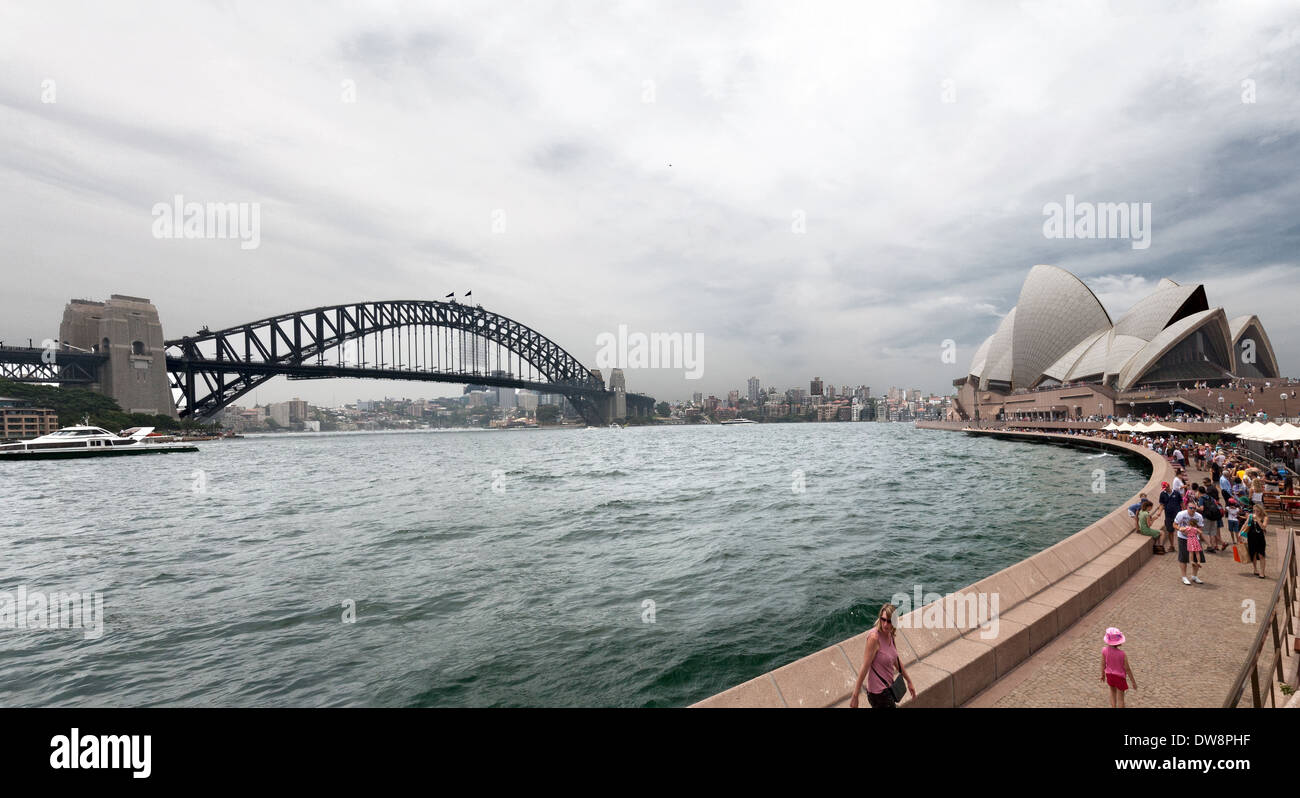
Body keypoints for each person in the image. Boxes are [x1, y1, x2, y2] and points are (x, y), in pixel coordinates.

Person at [850, 603, 916, 708]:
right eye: (883, 619)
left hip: (888, 689)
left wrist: (909, 681)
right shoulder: (874, 638)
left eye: (889, 621)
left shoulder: (890, 634)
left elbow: (895, 660)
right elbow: (864, 667)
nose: (885, 624)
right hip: (877, 694)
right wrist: (855, 695)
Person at [1101, 627, 1137, 708]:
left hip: (1109, 675)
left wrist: (1102, 674)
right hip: (1120, 678)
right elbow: (1127, 669)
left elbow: (1103, 664)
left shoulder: (1104, 650)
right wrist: (1133, 682)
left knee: (1112, 693)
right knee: (1120, 699)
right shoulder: (1122, 654)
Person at [1174, 504, 1205, 585]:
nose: (1193, 509)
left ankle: (1194, 576)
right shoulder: (1181, 514)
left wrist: (1196, 531)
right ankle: (1184, 577)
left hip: (1195, 538)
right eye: (1191, 508)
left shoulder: (1199, 516)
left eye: (1194, 508)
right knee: (1183, 557)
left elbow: (1201, 527)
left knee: (1197, 556)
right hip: (1183, 538)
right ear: (1187, 508)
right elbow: (1174, 524)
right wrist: (1180, 529)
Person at [1243, 505, 1269, 580]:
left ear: (1261, 511)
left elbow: (1263, 527)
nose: (1255, 512)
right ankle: (1255, 569)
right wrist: (1240, 533)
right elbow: (1245, 524)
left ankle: (1262, 572)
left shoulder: (1265, 517)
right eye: (1254, 511)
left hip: (1260, 538)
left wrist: (1257, 519)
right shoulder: (1251, 516)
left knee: (1261, 555)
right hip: (1251, 537)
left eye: (1257, 511)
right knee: (1253, 554)